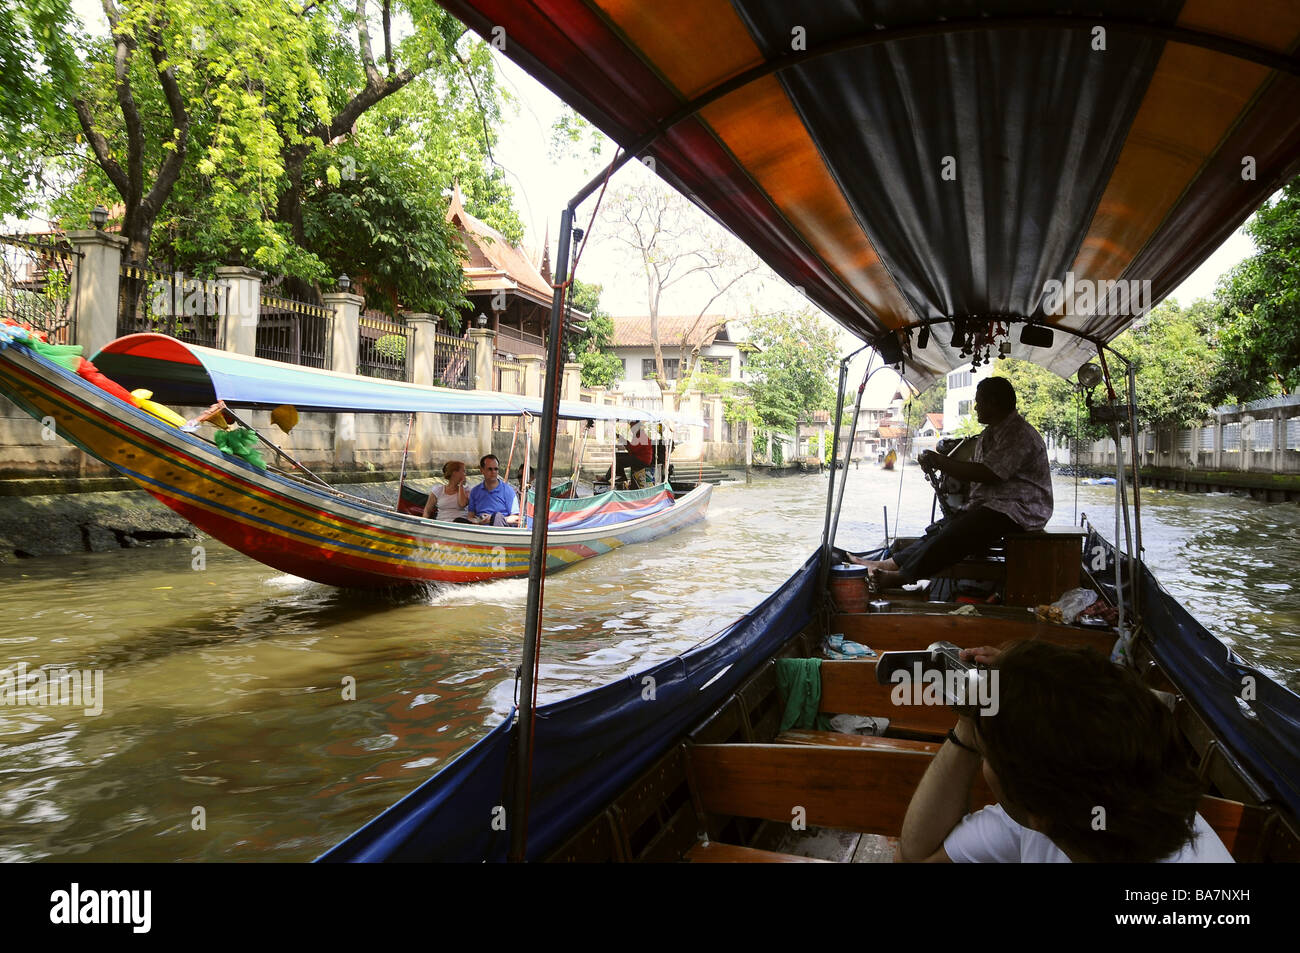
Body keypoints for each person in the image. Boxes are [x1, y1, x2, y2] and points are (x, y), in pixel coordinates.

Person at [898, 641, 1233, 863]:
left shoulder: (1054, 813)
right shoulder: (1087, 805)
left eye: (988, 756)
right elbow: (917, 857)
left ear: (1038, 813)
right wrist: (975, 721)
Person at [852, 376, 1052, 590]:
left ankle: (902, 576)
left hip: (1022, 510)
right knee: (941, 528)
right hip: (996, 505)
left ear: (993, 403)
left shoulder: (1018, 434)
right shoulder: (990, 434)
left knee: (961, 531)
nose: (975, 407)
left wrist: (940, 462)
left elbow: (988, 473)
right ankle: (889, 564)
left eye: (979, 402)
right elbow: (978, 474)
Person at [466, 454, 519, 526]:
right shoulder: (475, 491)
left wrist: (491, 519)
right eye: (490, 469)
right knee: (458, 521)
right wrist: (477, 521)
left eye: (496, 469)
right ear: (482, 470)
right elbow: (470, 516)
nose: (493, 472)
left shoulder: (508, 490)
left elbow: (516, 519)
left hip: (500, 527)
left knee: (497, 516)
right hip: (480, 528)